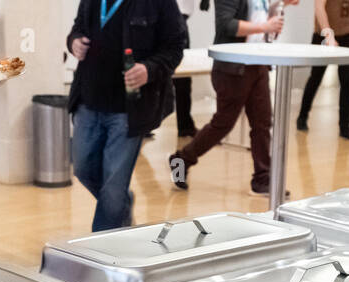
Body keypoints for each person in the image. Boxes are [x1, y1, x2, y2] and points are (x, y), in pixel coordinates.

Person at [67, 0, 185, 231]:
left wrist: (149, 69)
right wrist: (73, 42)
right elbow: (78, 27)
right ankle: (121, 202)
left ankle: (102, 254)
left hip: (128, 110)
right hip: (88, 100)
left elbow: (175, 47)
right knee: (82, 169)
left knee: (112, 190)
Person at [169, 0, 299, 198]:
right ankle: (182, 159)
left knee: (262, 122)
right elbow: (226, 24)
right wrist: (265, 26)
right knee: (223, 124)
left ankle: (262, 179)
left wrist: (279, 8)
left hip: (258, 63)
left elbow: (262, 22)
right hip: (233, 67)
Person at [297, 0, 349, 142]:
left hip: (348, 34)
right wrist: (328, 35)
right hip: (325, 35)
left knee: (347, 81)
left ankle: (345, 127)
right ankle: (302, 117)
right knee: (316, 78)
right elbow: (319, 7)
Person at [173, 0, 204, 138]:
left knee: (182, 77)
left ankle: (185, 125)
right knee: (182, 78)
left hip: (176, 17)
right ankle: (185, 125)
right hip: (175, 18)